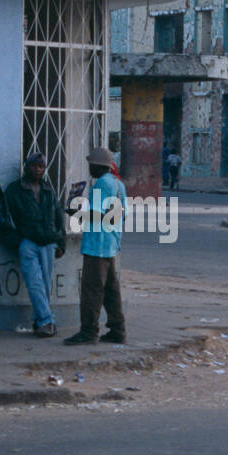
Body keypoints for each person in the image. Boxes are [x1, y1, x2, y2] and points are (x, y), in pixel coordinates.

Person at [65, 146, 127, 345]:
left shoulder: (101, 185)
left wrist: (75, 212)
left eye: (91, 164)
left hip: (96, 245)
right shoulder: (118, 185)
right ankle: (118, 329)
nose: (89, 168)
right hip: (110, 244)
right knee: (111, 291)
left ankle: (89, 331)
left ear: (97, 165)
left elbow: (96, 214)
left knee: (92, 290)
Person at [6, 151, 66, 338]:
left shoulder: (48, 190)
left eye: (41, 167)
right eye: (34, 166)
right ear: (27, 167)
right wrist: (18, 241)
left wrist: (61, 242)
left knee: (45, 285)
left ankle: (39, 322)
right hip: (28, 243)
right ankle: (47, 321)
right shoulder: (14, 190)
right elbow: (5, 219)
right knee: (34, 284)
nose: (38, 170)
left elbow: (58, 217)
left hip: (48, 243)